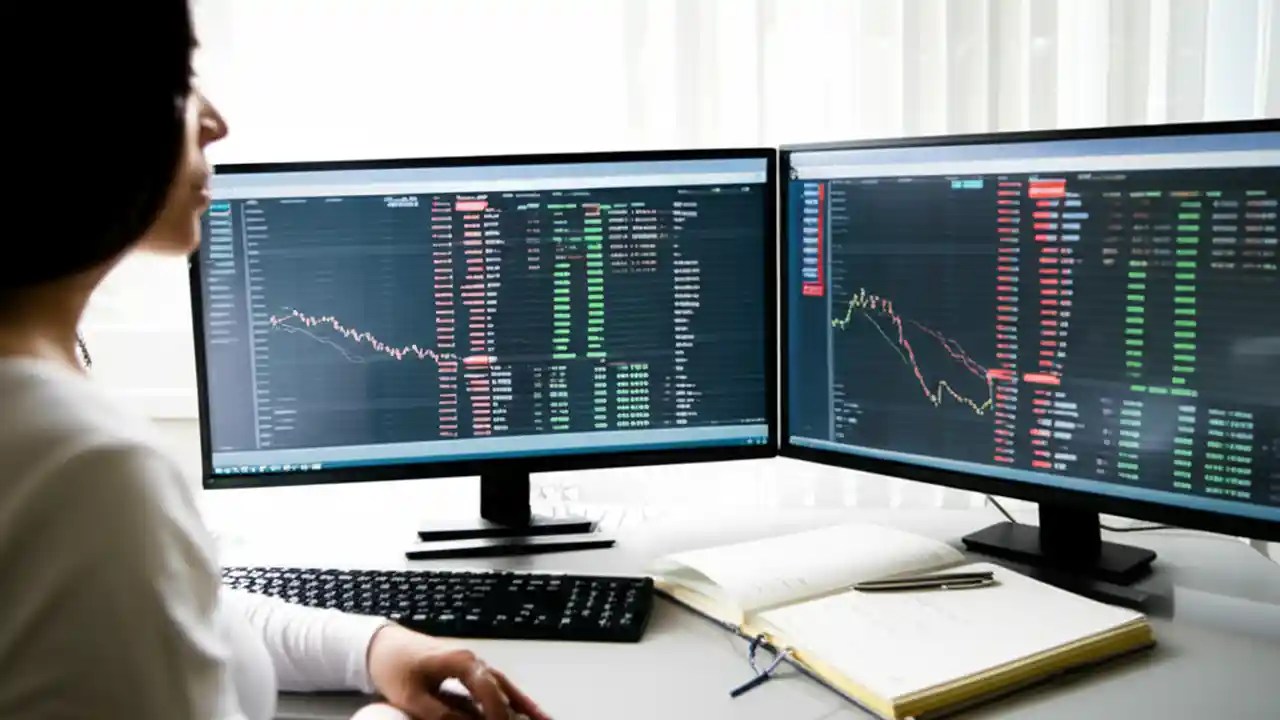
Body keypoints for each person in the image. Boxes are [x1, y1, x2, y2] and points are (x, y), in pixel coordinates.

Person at [0, 4, 549, 720]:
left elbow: (186, 612)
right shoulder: (86, 471)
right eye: (182, 82)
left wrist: (370, 646)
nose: (215, 122)